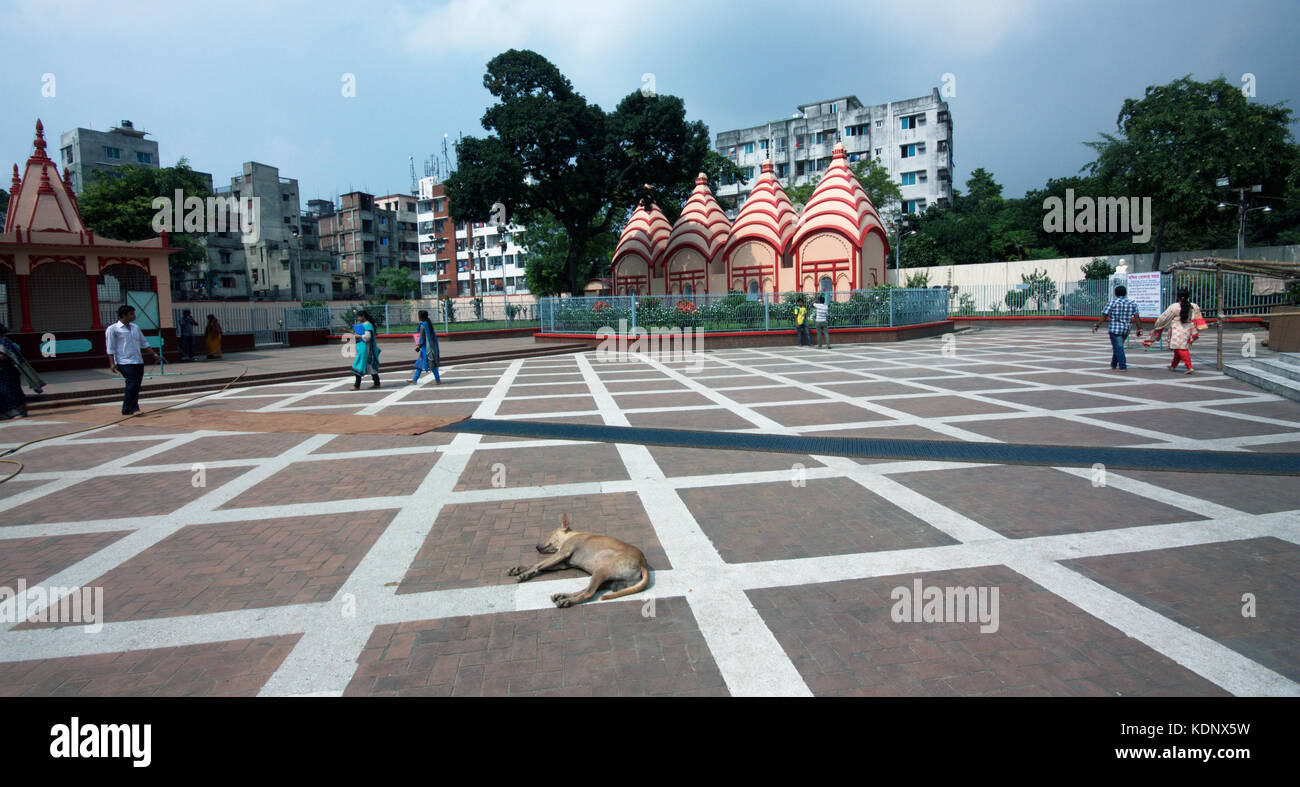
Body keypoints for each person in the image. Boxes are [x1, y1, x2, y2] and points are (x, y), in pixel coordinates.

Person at [106, 305, 158, 416]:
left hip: (138, 360)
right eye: (131, 314)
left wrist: (153, 354)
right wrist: (112, 363)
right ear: (124, 315)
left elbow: (144, 343)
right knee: (132, 383)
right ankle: (134, 408)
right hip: (124, 361)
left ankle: (126, 408)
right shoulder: (113, 329)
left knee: (136, 384)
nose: (134, 316)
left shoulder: (135, 327)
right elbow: (110, 347)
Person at [1145, 288, 1204, 374]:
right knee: (1179, 348)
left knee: (1181, 349)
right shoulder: (1194, 306)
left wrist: (1157, 325)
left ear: (1178, 297)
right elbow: (1198, 318)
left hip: (1177, 330)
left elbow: (1164, 317)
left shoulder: (1175, 306)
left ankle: (1189, 367)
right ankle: (1173, 366)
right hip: (1189, 329)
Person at [1092, 284, 1142, 372]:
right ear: (1125, 293)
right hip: (1126, 329)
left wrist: (1097, 326)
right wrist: (1139, 328)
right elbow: (1137, 317)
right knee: (1118, 346)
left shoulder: (1112, 302)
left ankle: (1123, 366)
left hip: (1115, 329)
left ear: (1116, 293)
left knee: (1118, 347)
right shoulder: (1132, 303)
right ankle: (1113, 364)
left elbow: (1104, 316)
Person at [0, 324, 46, 420]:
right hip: (5, 372)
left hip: (7, 372)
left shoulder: (3, 341)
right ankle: (10, 412)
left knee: (9, 391)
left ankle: (16, 412)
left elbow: (3, 356)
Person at [351, 309, 381, 389]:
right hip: (363, 348)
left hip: (366, 349)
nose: (358, 319)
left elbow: (368, 337)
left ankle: (356, 385)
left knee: (358, 365)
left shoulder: (367, 325)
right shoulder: (364, 325)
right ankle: (377, 382)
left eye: (358, 317)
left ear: (363, 316)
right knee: (370, 366)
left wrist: (358, 336)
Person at [411, 309, 441, 385]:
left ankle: (438, 380)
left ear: (420, 317)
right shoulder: (428, 323)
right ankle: (414, 379)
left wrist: (418, 346)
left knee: (431, 363)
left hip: (426, 348)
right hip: (430, 347)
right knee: (420, 363)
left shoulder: (422, 325)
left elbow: (422, 338)